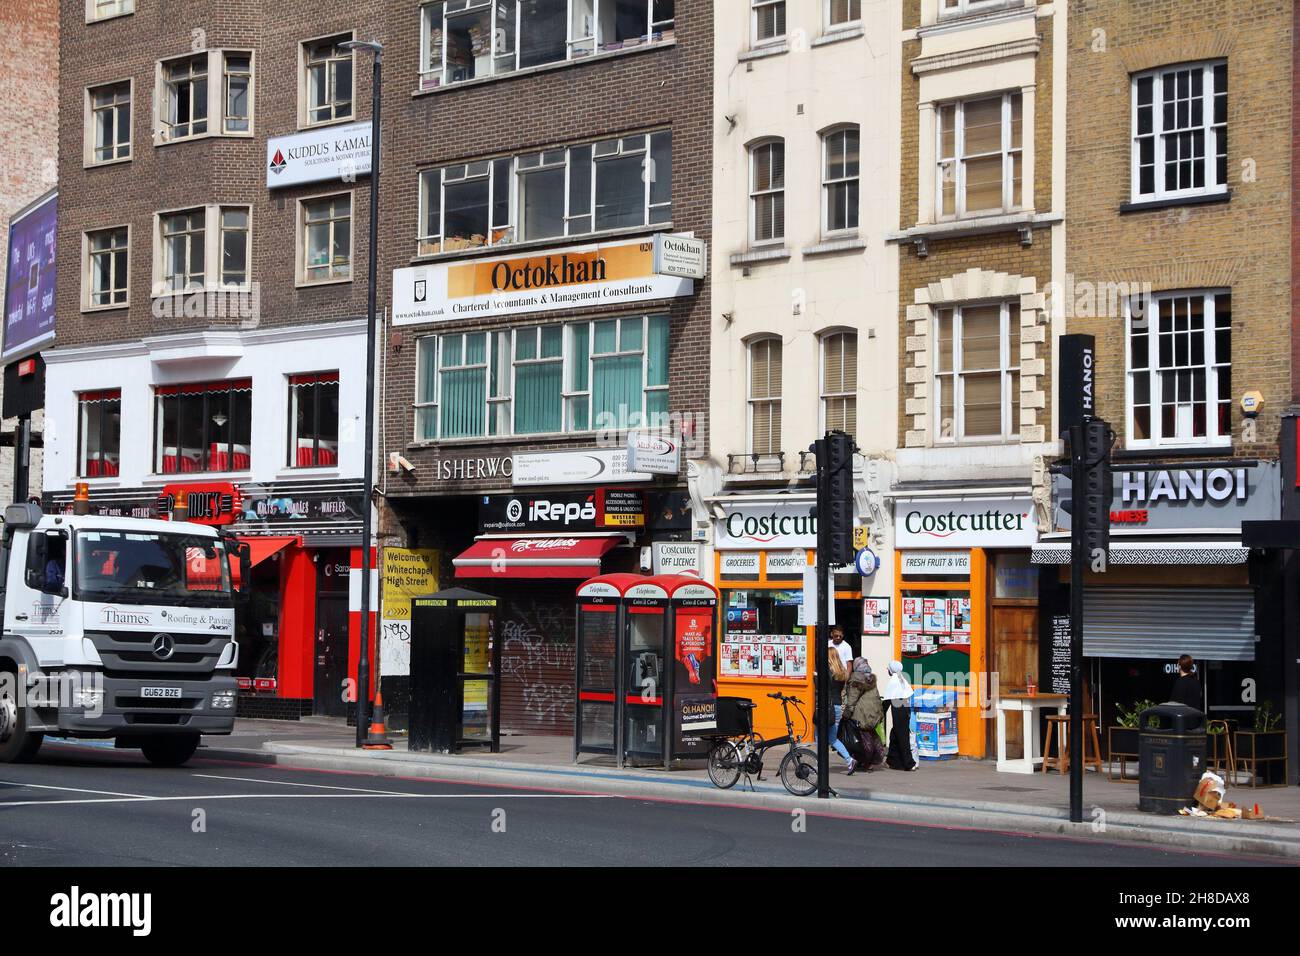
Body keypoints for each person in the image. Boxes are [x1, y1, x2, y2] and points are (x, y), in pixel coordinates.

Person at [842, 657, 885, 773]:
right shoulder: (870, 677)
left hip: (862, 713)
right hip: (873, 711)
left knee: (862, 738)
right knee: (870, 735)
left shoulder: (857, 678)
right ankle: (870, 760)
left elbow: (852, 699)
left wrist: (847, 713)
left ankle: (867, 762)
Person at [882, 660, 917, 771]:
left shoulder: (894, 681)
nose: (887, 670)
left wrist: (880, 712)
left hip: (899, 712)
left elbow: (887, 700)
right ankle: (892, 761)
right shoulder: (901, 679)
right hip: (905, 710)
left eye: (888, 669)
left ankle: (909, 763)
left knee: (902, 737)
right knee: (894, 735)